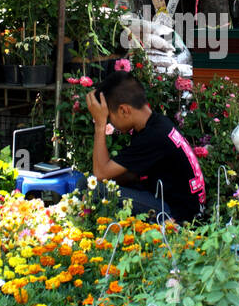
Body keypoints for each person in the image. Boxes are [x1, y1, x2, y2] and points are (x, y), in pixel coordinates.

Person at [86, 70, 206, 222]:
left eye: (109, 117)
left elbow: (100, 173)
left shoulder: (153, 135)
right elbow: (129, 174)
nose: (110, 122)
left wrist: (100, 124)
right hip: (185, 208)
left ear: (124, 110)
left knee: (95, 190)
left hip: (178, 216)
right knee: (97, 185)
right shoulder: (155, 124)